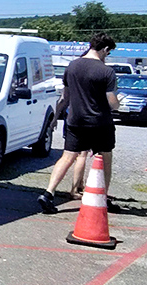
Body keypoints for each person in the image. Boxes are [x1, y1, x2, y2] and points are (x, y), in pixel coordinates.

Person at [38, 33, 119, 213]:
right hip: (100, 122)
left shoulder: (72, 66)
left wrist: (55, 118)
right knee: (105, 158)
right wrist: (118, 102)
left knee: (67, 157)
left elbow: (64, 98)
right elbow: (112, 103)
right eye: (109, 52)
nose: (107, 56)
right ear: (105, 49)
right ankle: (102, 198)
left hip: (75, 121)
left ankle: (48, 193)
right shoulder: (106, 72)